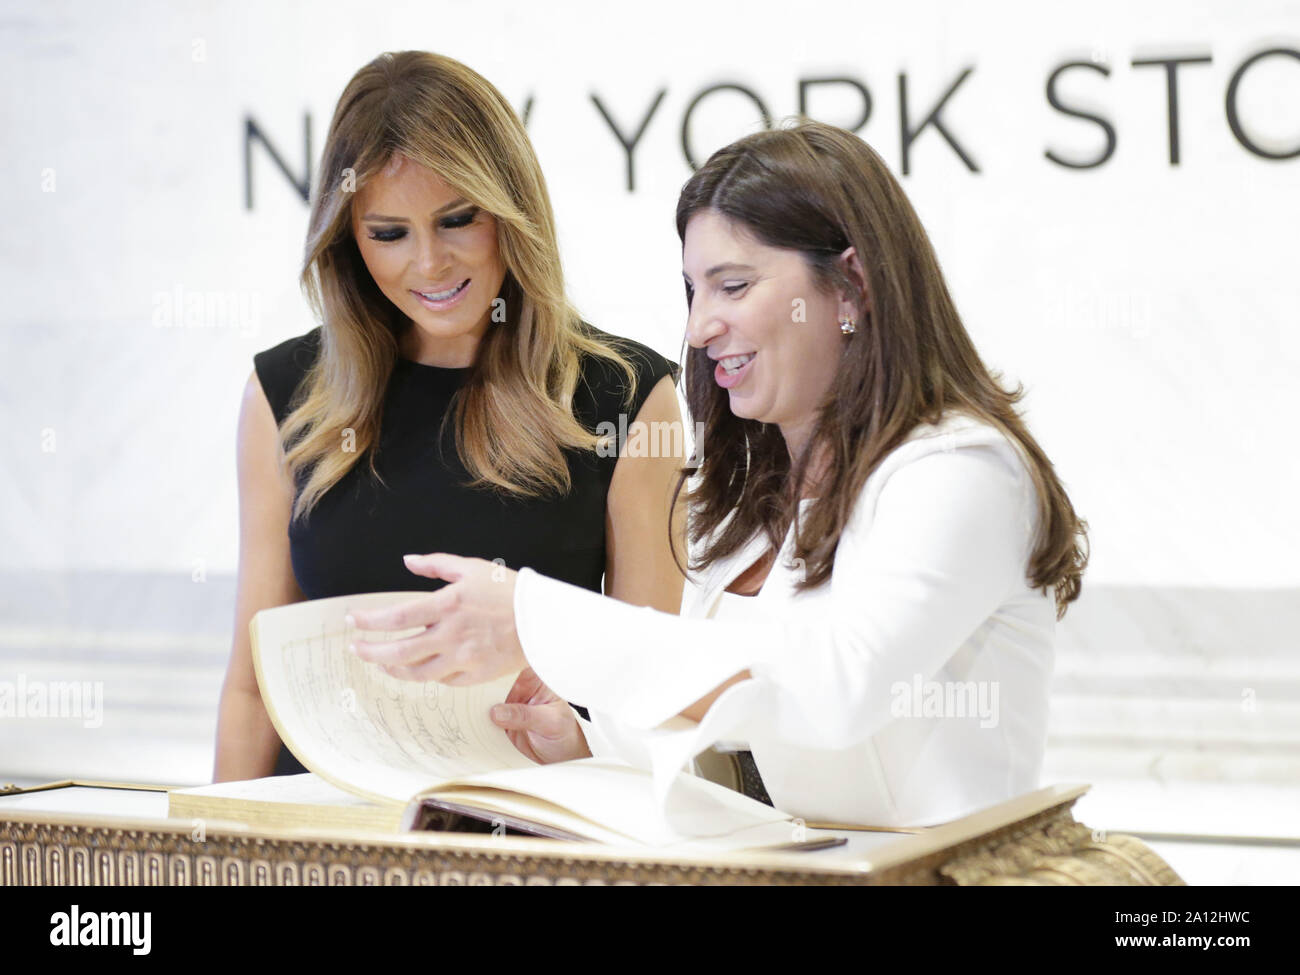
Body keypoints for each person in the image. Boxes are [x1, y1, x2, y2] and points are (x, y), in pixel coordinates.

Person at [344, 120, 1091, 828]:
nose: (700, 327)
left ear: (851, 287)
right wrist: (582, 742)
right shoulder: (742, 502)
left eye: (733, 287)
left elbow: (832, 690)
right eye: (694, 291)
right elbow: (740, 761)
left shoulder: (960, 470)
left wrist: (536, 620)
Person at [213, 51, 685, 782]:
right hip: (322, 837)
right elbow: (251, 687)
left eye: (458, 219)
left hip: (526, 834)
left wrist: (580, 735)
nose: (429, 264)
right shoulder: (283, 396)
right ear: (347, 238)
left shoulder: (625, 395)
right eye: (389, 233)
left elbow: (654, 693)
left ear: (510, 209)